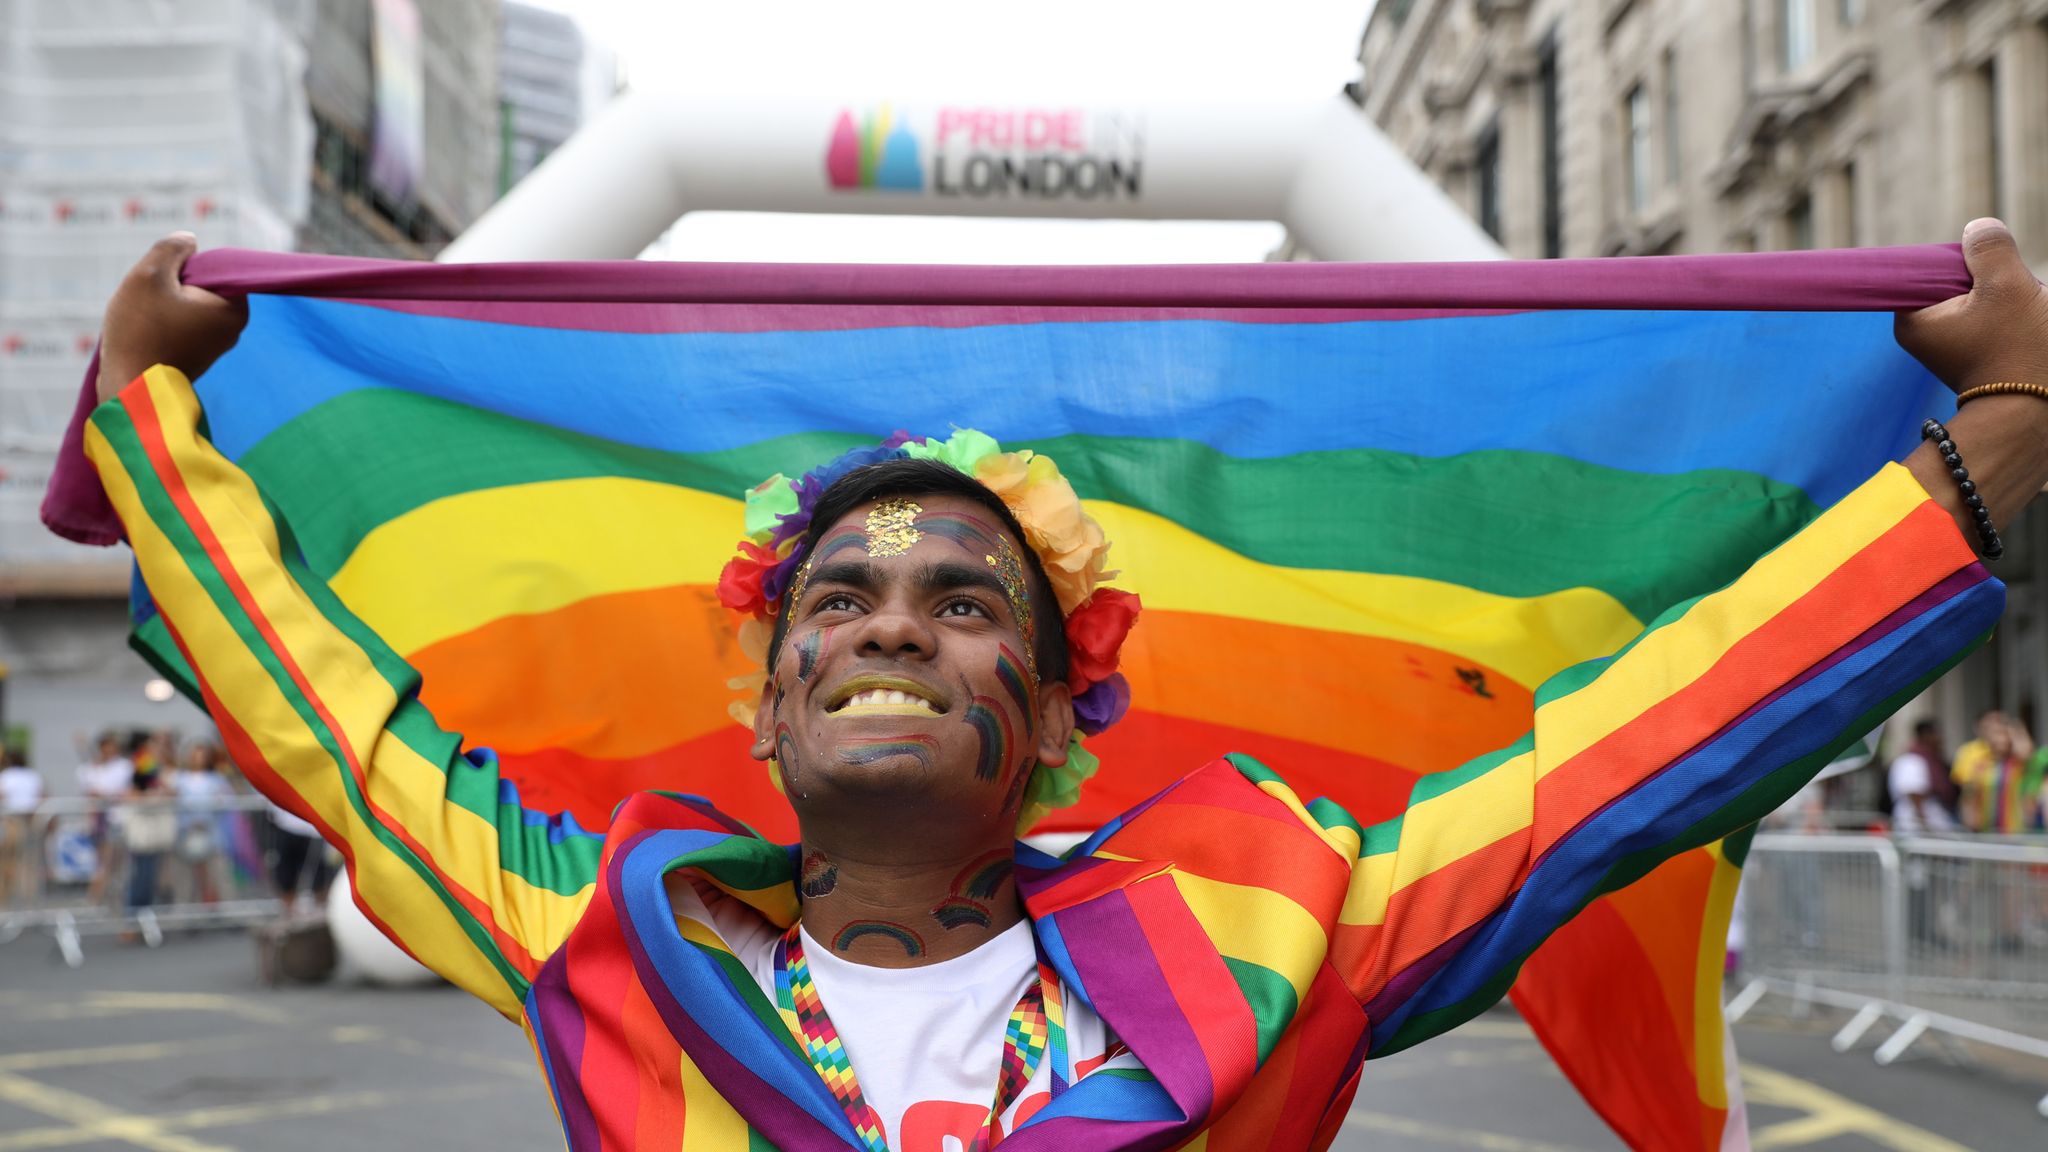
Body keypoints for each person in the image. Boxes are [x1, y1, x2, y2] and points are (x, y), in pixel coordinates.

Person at [77, 220, 2048, 1150]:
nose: (890, 622)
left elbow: (1646, 744)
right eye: (833, 599)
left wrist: (1992, 453)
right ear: (761, 703)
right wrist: (155, 407)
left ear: (1058, 702)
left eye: (965, 600)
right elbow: (315, 698)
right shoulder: (591, 910)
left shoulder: (1292, 911)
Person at [1951, 709, 2043, 833]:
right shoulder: (1981, 764)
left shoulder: (2018, 763)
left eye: (2002, 733)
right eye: (1993, 733)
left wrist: (2014, 727)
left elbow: (2026, 751)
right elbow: (1969, 795)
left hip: (2018, 832)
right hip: (1987, 832)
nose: (1998, 738)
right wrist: (1971, 820)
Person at [171, 741, 233, 904]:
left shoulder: (217, 779)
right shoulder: (179, 778)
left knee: (218, 874)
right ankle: (184, 909)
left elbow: (227, 801)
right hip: (186, 832)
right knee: (186, 878)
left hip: (211, 833)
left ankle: (228, 908)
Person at [75, 730, 132, 906]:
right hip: (98, 819)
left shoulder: (124, 765)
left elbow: (117, 789)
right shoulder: (93, 768)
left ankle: (98, 895)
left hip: (116, 819)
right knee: (103, 860)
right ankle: (104, 896)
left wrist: (103, 793)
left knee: (111, 861)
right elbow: (88, 786)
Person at [0, 746, 45, 907]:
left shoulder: (6, 776)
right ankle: (28, 901)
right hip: (30, 821)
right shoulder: (33, 776)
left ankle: (5, 898)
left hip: (11, 822)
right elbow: (42, 796)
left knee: (7, 861)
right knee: (28, 862)